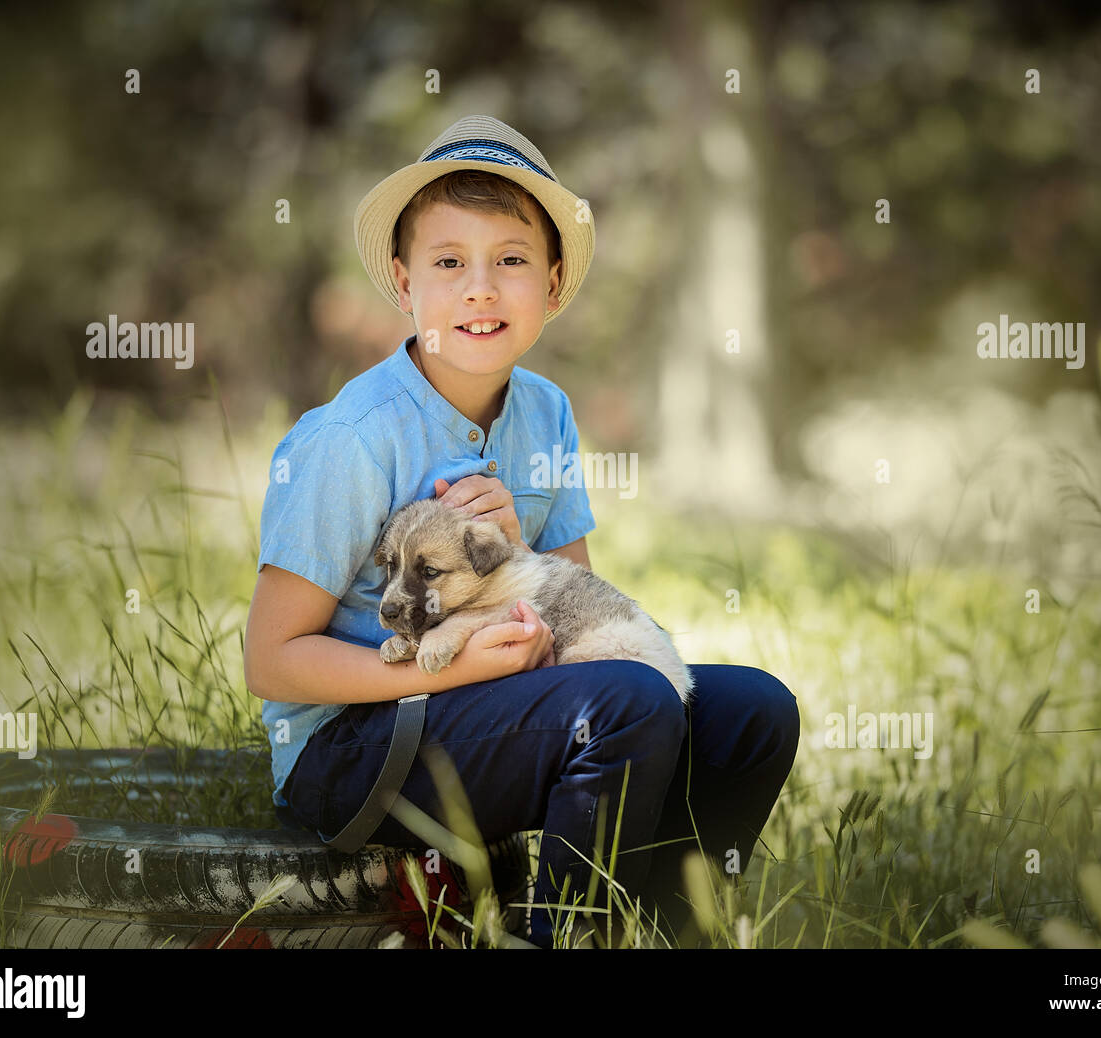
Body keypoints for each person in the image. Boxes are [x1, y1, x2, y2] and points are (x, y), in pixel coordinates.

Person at [243, 115, 799, 949]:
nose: (479, 289)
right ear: (404, 285)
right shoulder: (352, 439)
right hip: (356, 751)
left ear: (552, 279)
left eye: (510, 260)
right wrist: (449, 668)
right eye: (448, 263)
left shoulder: (545, 411)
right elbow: (271, 659)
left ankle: (663, 932)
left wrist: (518, 553)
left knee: (754, 711)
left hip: (487, 700)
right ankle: (559, 940)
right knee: (631, 704)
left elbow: (578, 606)